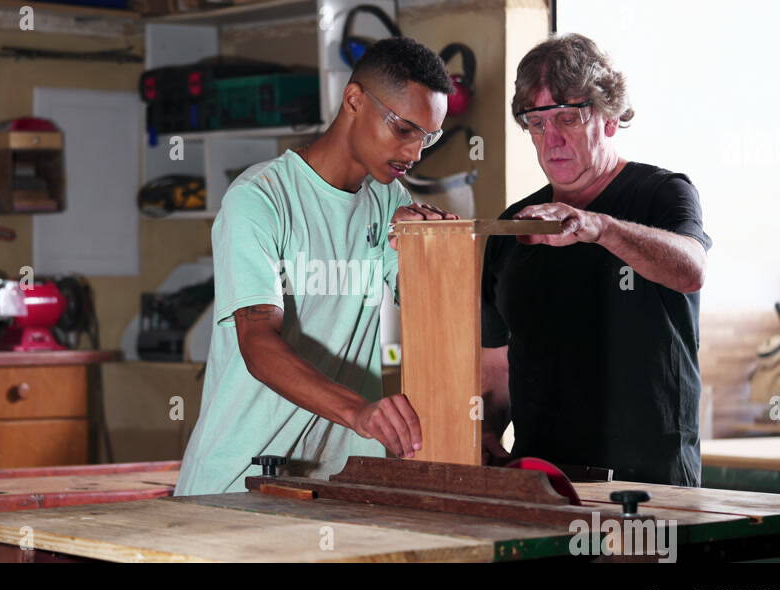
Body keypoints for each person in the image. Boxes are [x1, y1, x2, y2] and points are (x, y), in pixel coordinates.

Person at [176, 38, 459, 496]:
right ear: (354, 100)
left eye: (428, 138)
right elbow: (256, 342)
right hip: (236, 485)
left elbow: (437, 320)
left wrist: (436, 251)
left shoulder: (389, 200)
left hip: (339, 484)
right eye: (404, 129)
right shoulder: (260, 198)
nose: (415, 153)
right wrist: (358, 412)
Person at [480, 33, 712, 486]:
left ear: (609, 118)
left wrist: (598, 228)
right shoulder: (513, 225)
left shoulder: (661, 194)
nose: (552, 139)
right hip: (541, 479)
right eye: (537, 123)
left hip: (649, 483)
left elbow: (691, 270)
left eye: (568, 117)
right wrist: (487, 426)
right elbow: (497, 363)